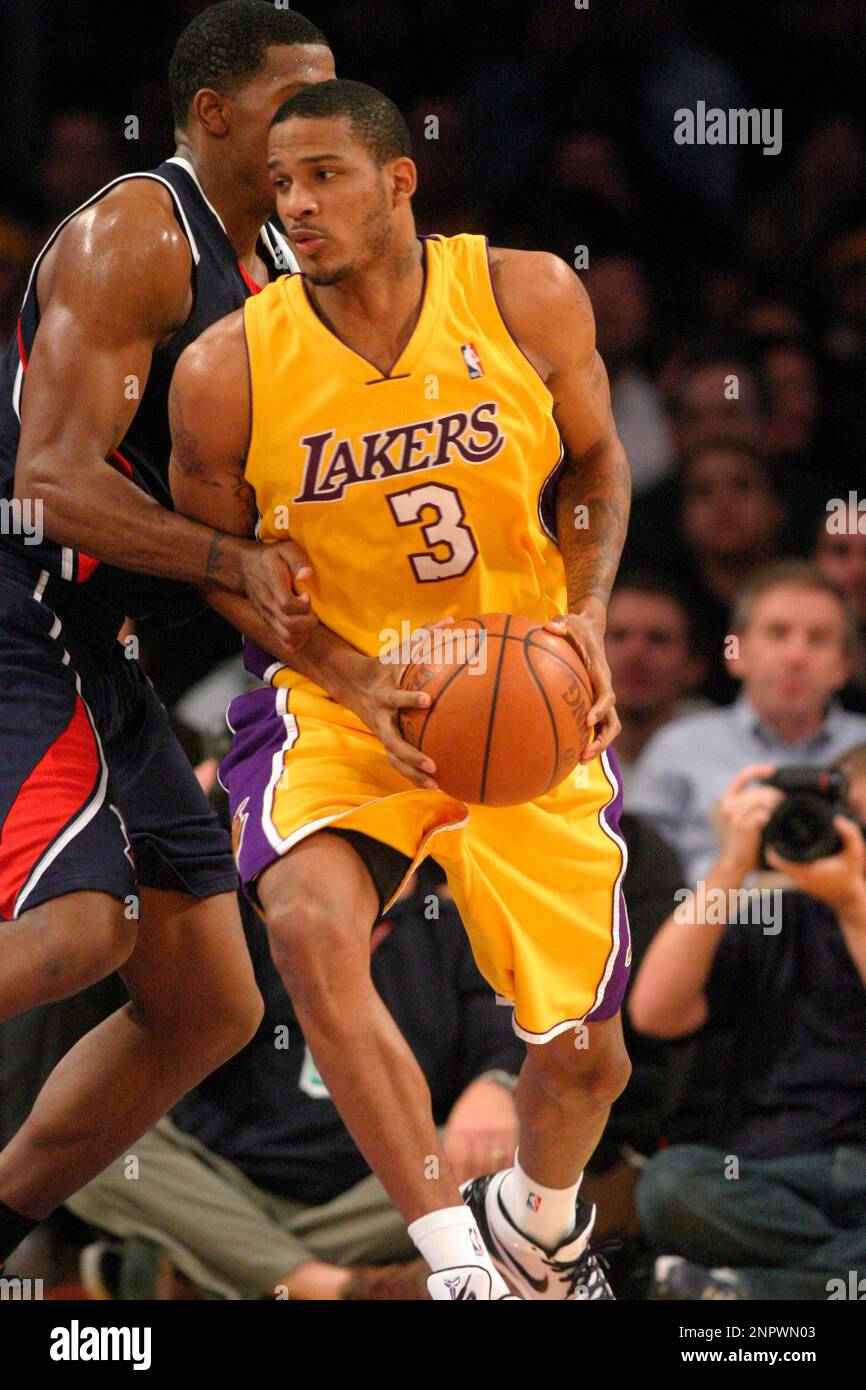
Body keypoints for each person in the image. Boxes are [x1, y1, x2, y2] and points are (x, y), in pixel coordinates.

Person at [170, 78, 633, 1301]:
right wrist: (338, 670)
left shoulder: (526, 292)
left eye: (323, 174)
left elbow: (593, 463)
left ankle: (539, 1227)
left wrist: (581, 619)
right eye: (278, 184)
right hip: (344, 699)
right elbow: (219, 563)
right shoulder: (227, 368)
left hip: (519, 696)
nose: (298, 205)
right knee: (312, 926)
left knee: (586, 1063)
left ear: (397, 180)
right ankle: (458, 1271)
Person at [0, 1, 335, 1270]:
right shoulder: (138, 230)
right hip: (18, 598)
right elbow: (50, 480)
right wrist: (230, 559)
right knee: (79, 928)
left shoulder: (276, 274)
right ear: (213, 112)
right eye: (291, 103)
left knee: (210, 1006)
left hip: (102, 635)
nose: (314, 130)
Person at [65, 865, 524, 1301]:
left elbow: (500, 1032)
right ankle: (339, 1288)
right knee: (89, 1141)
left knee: (516, 1154)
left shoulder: (450, 920)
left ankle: (223, 1269)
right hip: (228, 1174)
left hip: (371, 1192)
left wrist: (496, 1085)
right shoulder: (243, 908)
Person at [629, 751, 866, 1301]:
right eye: (847, 820)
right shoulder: (779, 918)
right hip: (765, 1172)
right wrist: (733, 863)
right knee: (670, 1186)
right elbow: (655, 1012)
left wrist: (853, 902)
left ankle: (749, 1291)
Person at [630, 561, 866, 883]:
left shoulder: (862, 745)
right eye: (777, 633)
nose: (796, 655)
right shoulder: (678, 748)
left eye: (818, 638)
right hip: (710, 926)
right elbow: (637, 883)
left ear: (843, 665)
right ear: (736, 652)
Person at [604, 573, 705, 792]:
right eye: (619, 636)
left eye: (658, 639)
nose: (635, 653)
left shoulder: (720, 746)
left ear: (694, 665)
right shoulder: (558, 743)